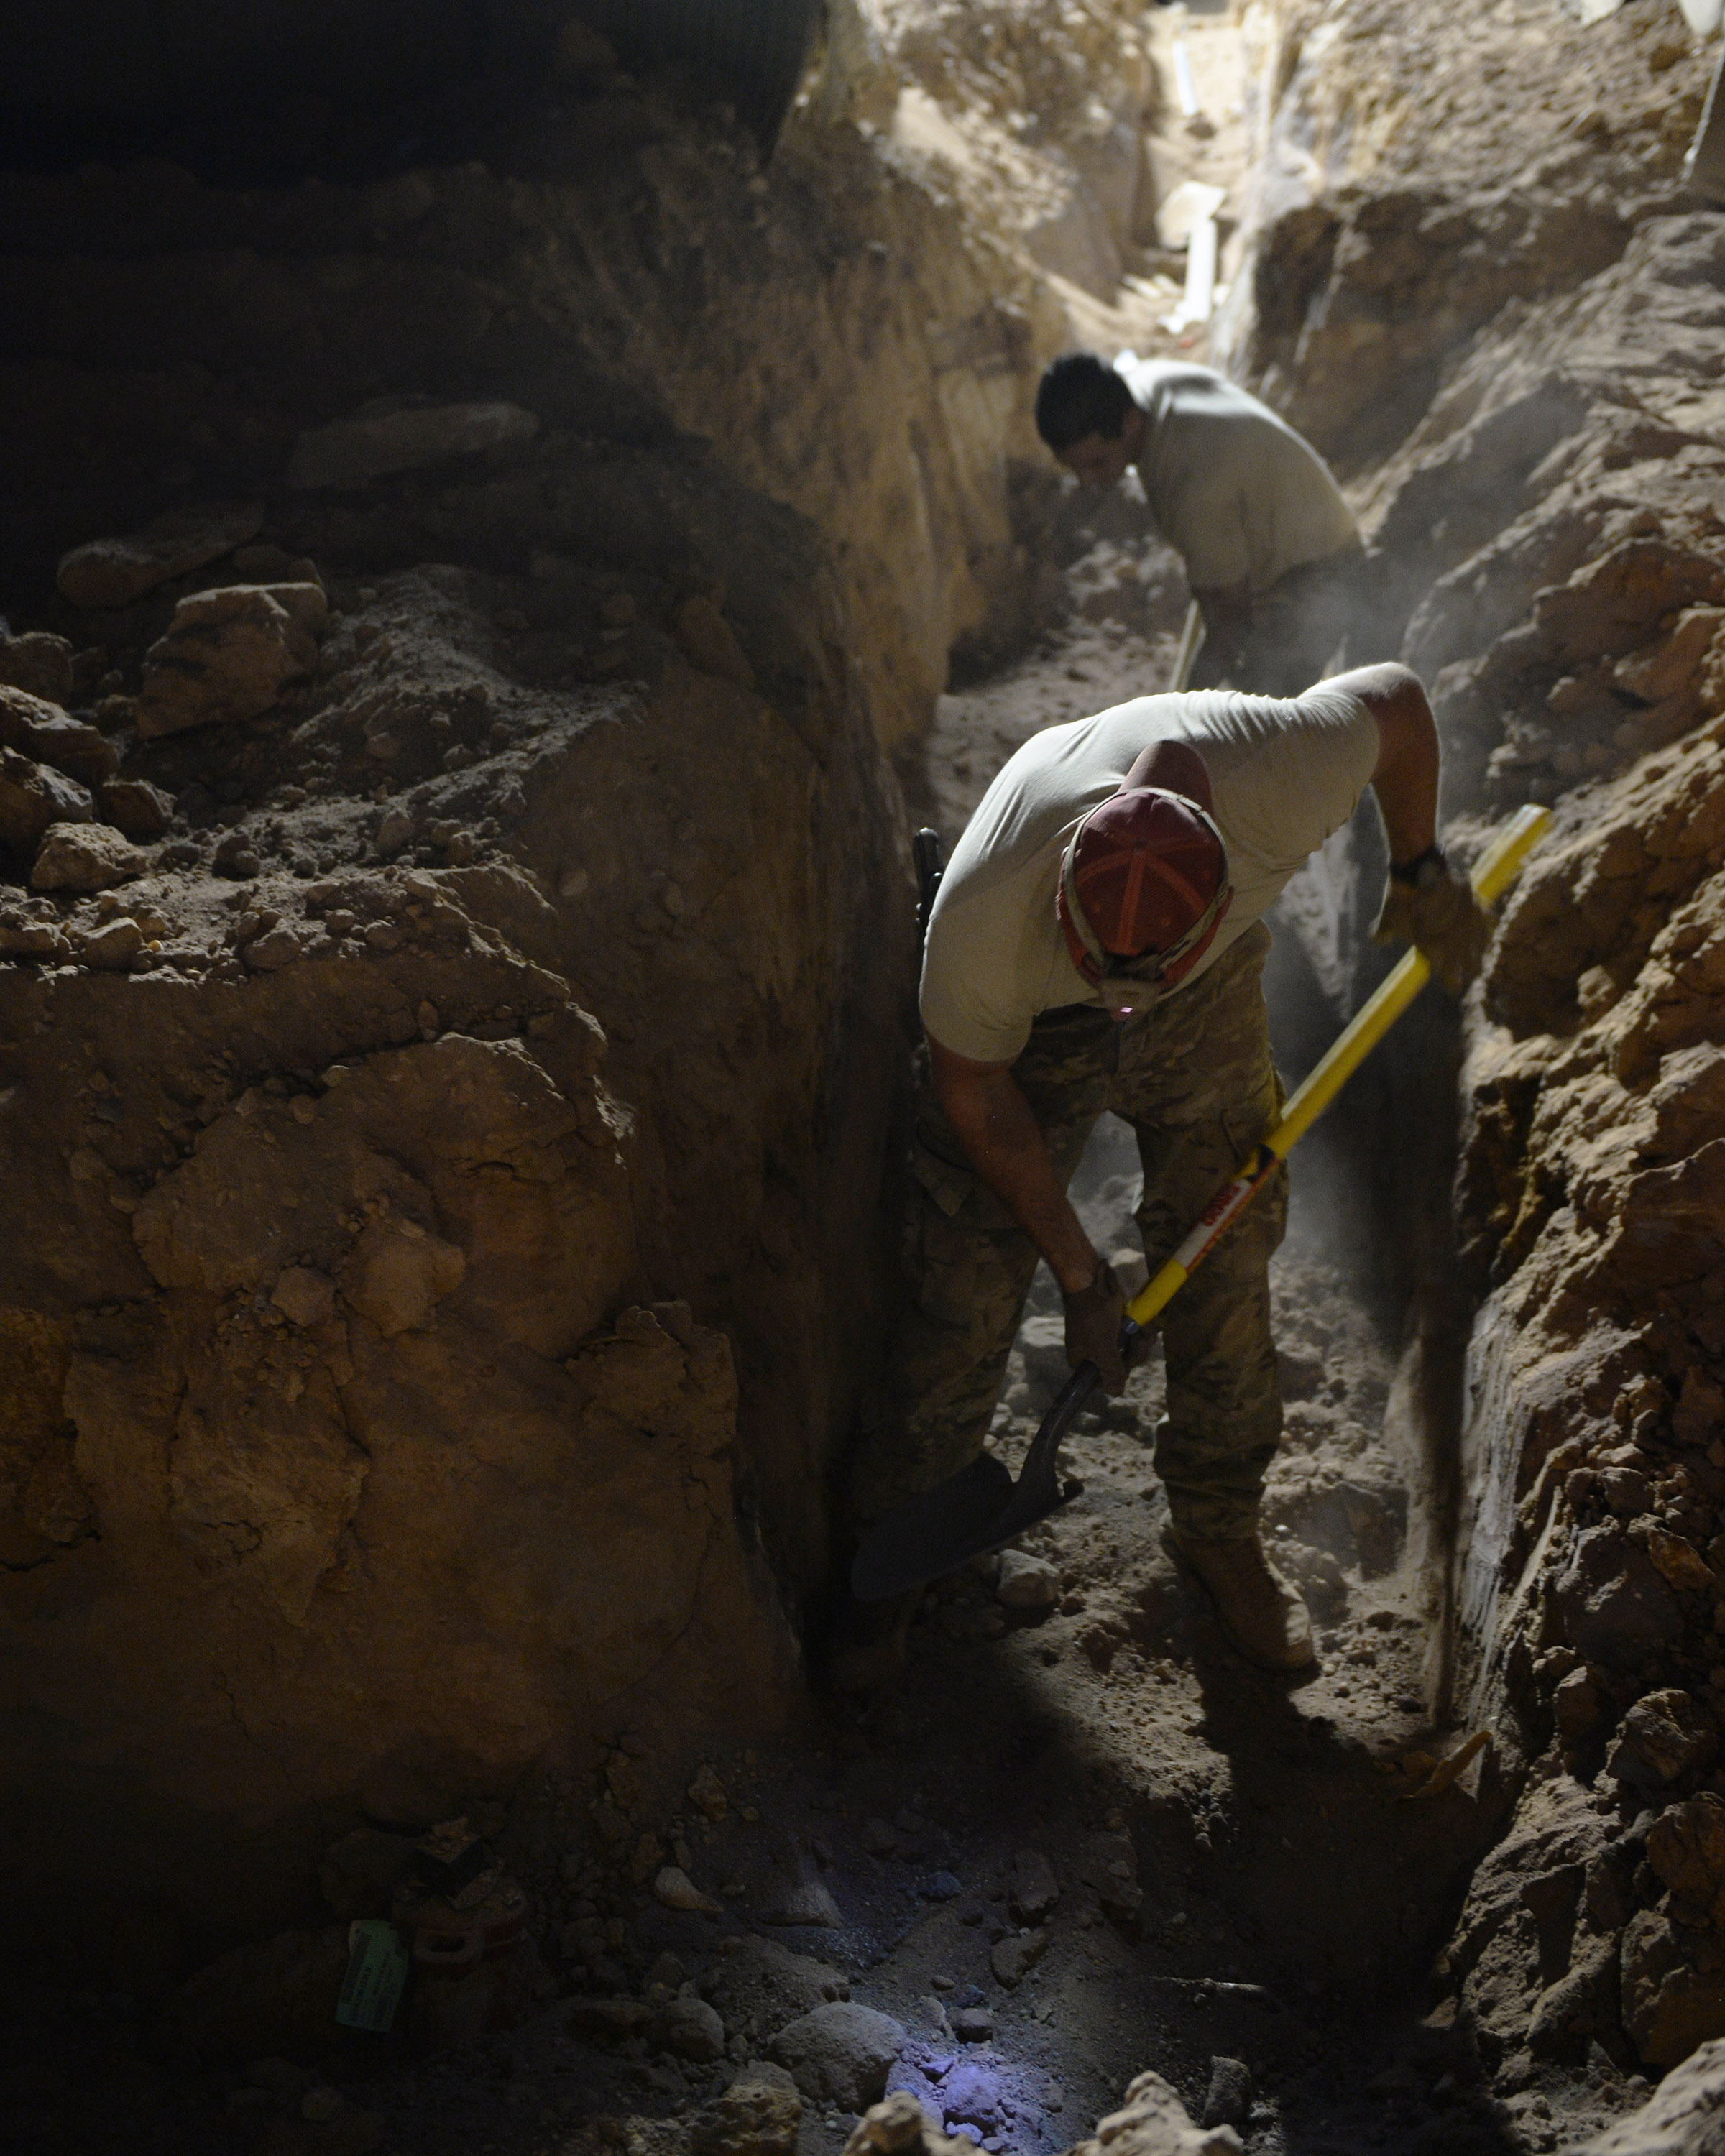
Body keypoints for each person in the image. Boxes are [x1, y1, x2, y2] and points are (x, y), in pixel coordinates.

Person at [839, 661, 1489, 1685]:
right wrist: (1083, 1275)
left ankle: (1219, 1528)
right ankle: (903, 1548)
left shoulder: (1282, 775)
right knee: (960, 1275)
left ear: (1226, 883)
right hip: (1032, 1022)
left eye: (1146, 973)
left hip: (1207, 996)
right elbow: (977, 1098)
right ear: (1065, 897)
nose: (1126, 1002)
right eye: (1113, 973)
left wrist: (1419, 870)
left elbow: (1401, 705)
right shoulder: (984, 925)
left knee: (1225, 1246)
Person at [1035, 350, 1364, 696]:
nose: (1087, 481)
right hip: (1298, 523)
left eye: (1097, 464)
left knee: (1255, 719)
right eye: (1075, 468)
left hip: (1324, 569)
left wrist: (1181, 713)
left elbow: (1228, 622)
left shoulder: (1190, 481)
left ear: (1130, 424)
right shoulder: (1137, 386)